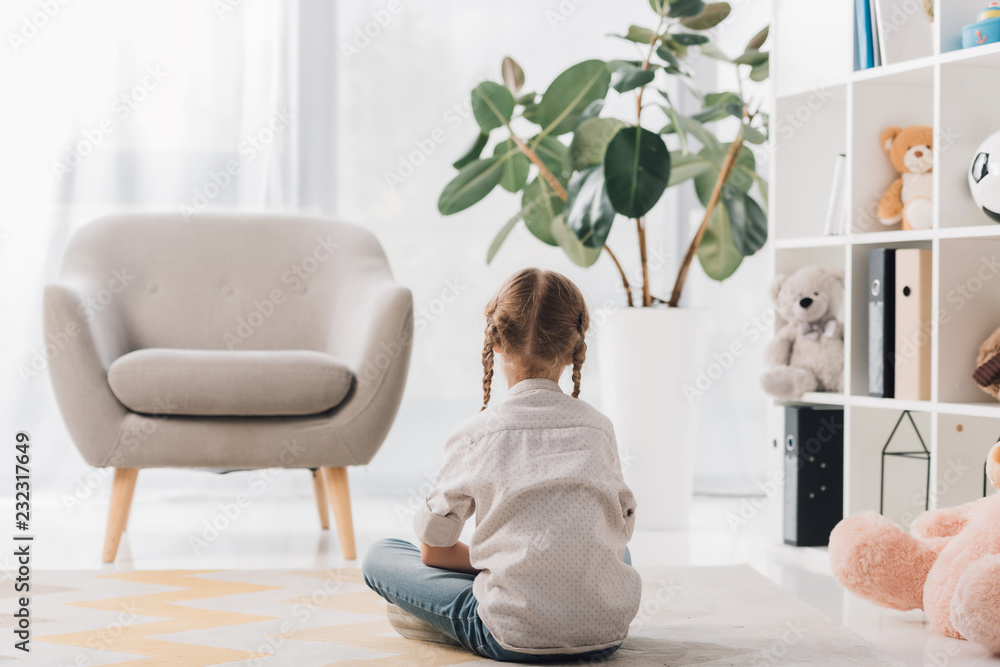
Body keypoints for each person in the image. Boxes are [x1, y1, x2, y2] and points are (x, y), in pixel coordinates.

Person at [362, 267, 641, 662]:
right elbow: (622, 531)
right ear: (573, 350)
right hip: (607, 633)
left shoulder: (476, 434)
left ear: (494, 341)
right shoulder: (599, 428)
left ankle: (443, 621)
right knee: (618, 558)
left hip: (511, 636)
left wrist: (505, 559)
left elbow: (433, 550)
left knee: (380, 555)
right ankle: (522, 581)